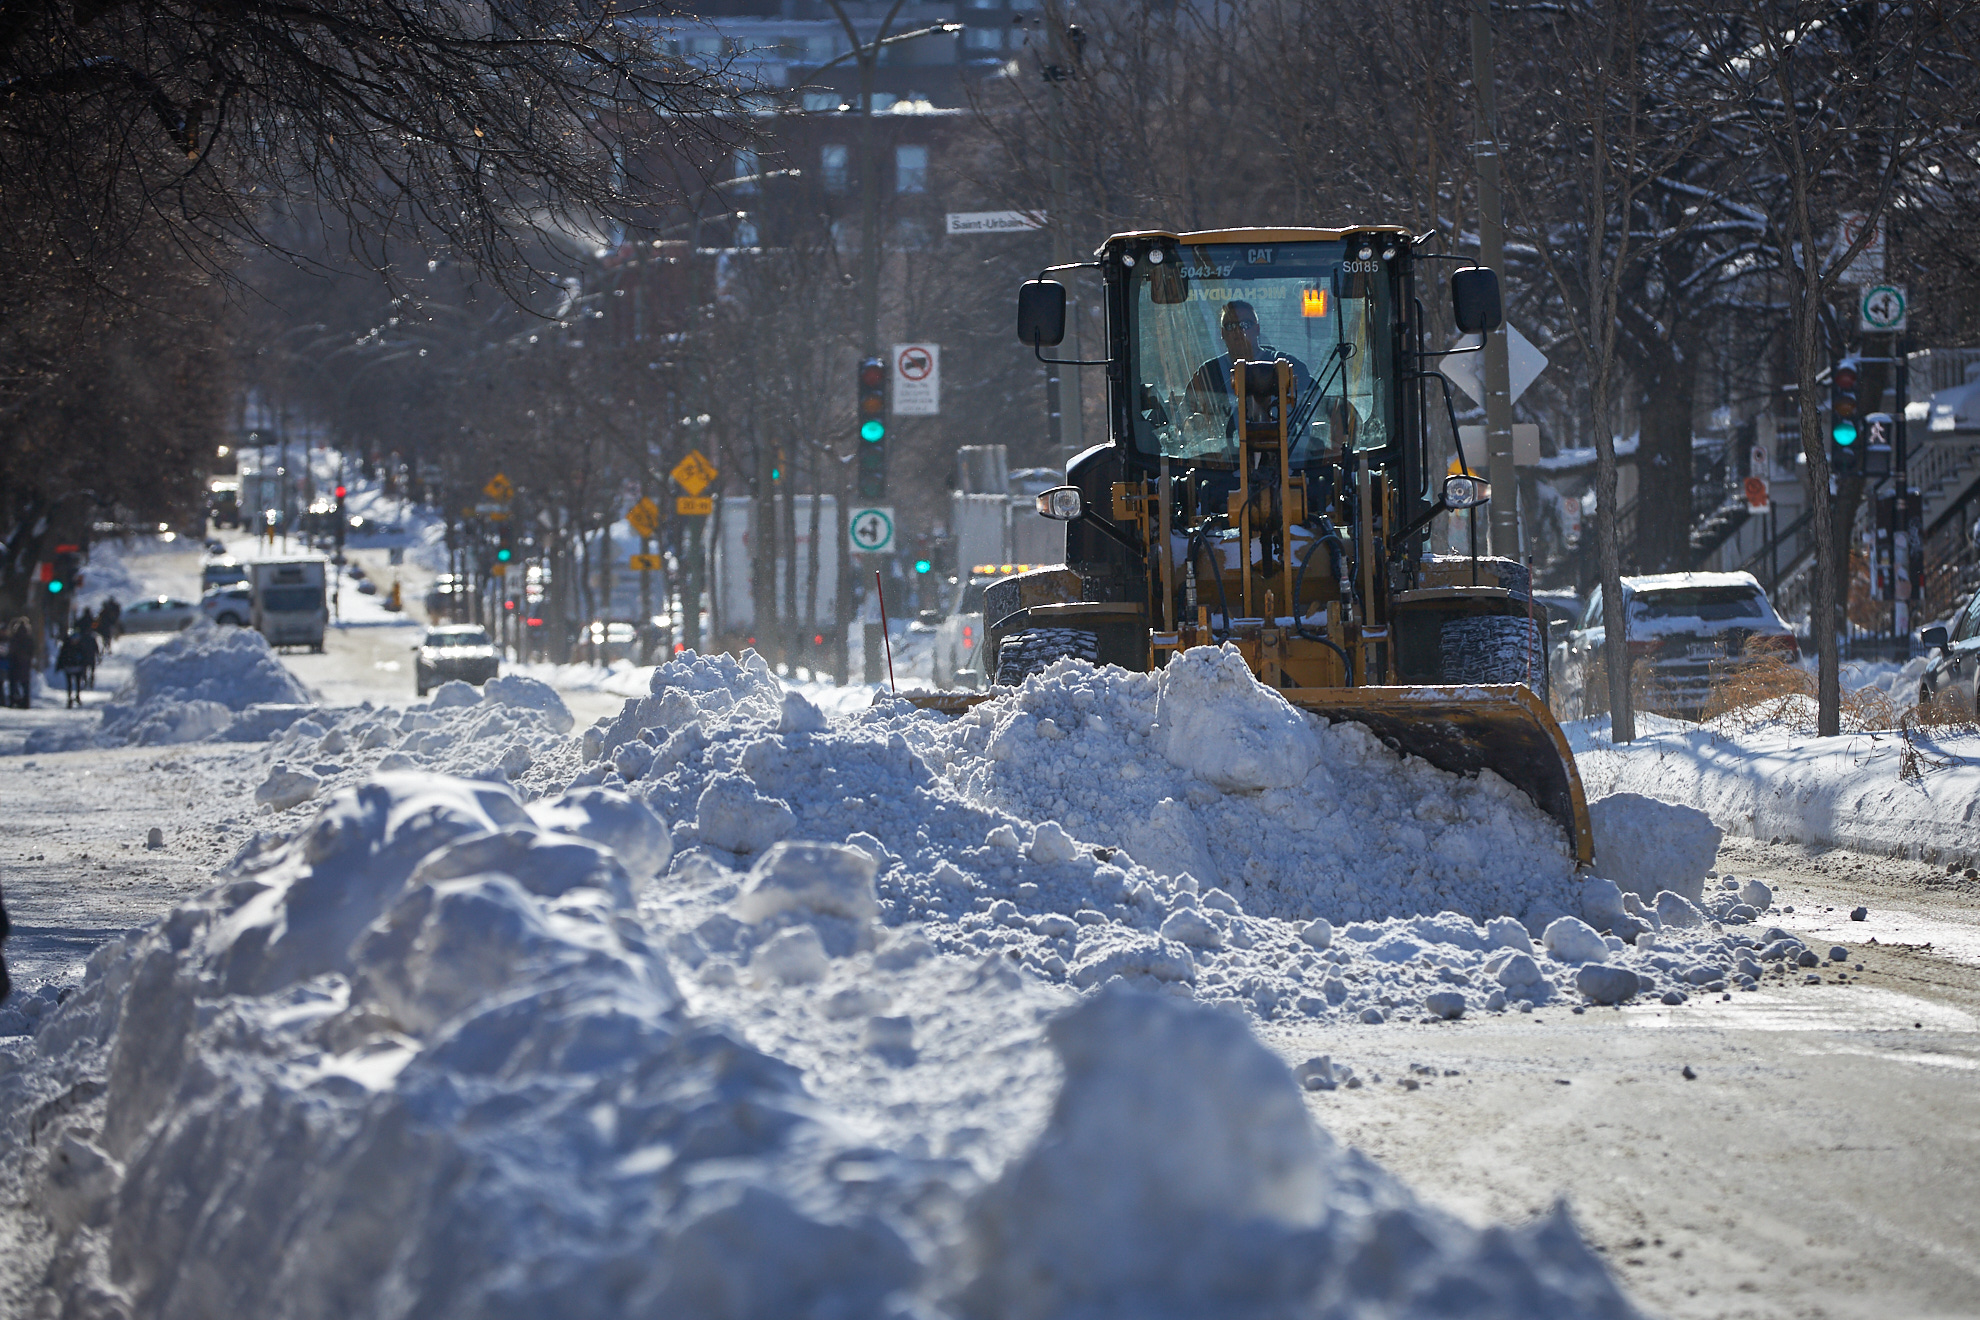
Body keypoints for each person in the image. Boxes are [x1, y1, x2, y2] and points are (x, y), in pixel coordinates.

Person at [1184, 300, 1313, 422]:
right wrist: (1192, 423)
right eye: (1230, 326)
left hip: (1288, 444)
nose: (1238, 331)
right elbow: (1183, 415)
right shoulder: (1207, 375)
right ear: (1222, 333)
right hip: (1224, 444)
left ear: (1257, 329)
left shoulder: (1290, 368)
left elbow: (1316, 408)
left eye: (1245, 325)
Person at [56, 627, 88, 708]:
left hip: (74, 667)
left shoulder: (68, 645)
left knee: (76, 683)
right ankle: (71, 697)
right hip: (71, 667)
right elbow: (62, 656)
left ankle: (76, 696)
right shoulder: (78, 645)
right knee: (71, 683)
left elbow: (62, 656)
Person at [1, 617, 28, 709]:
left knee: (13, 683)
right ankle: (21, 701)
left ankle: (13, 700)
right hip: (20, 664)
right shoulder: (26, 638)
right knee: (22, 684)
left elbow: (12, 651)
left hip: (12, 664)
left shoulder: (13, 639)